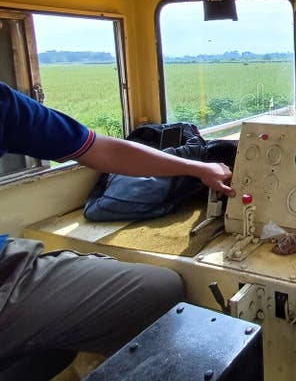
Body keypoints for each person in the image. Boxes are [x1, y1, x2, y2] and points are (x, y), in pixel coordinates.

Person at [0, 80, 234, 380]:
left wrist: (199, 168)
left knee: (158, 289)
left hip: (8, 269)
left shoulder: (6, 105)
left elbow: (102, 149)